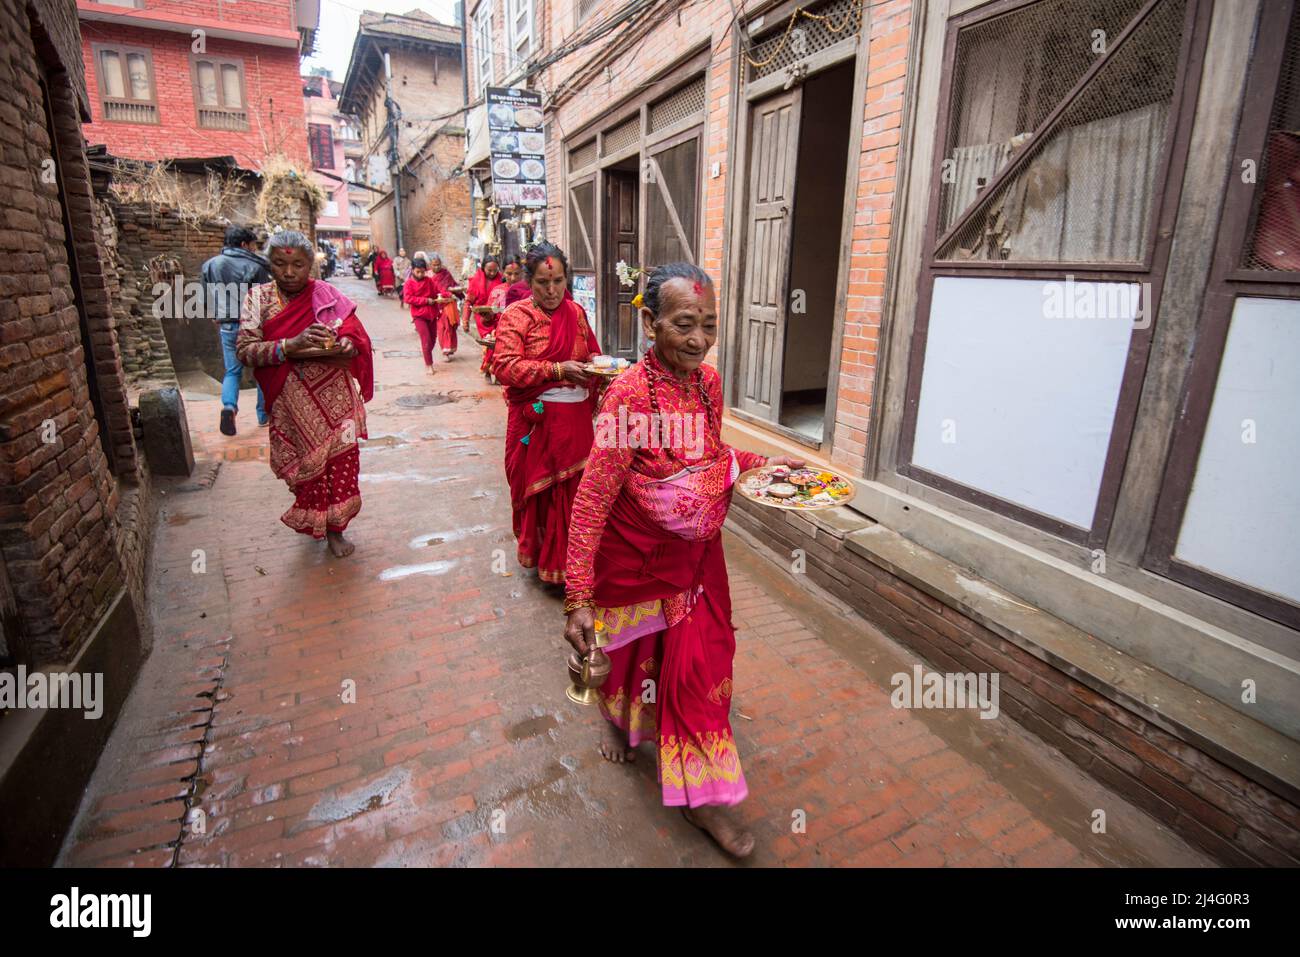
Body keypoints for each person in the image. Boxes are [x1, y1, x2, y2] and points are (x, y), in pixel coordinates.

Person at [562, 262, 805, 859]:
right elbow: (593, 498)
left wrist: (759, 464)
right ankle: (616, 720)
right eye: (683, 324)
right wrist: (578, 596)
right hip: (632, 558)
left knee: (699, 673)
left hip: (695, 563)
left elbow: (712, 452)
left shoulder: (708, 385)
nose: (698, 339)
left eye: (710, 325)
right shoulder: (624, 398)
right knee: (630, 656)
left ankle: (702, 801)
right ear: (650, 322)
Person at [235, 231, 375, 558]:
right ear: (267, 263)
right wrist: (289, 346)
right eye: (279, 263)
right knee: (307, 468)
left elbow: (356, 336)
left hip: (335, 396)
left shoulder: (326, 294)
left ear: (310, 265)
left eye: (297, 264)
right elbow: (244, 351)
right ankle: (316, 518)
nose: (288, 272)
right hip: (291, 400)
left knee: (341, 464)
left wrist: (346, 344)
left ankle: (336, 529)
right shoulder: (257, 299)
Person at [492, 243, 601, 584]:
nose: (552, 290)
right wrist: (556, 371)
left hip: (576, 423)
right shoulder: (517, 316)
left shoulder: (577, 313)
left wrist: (600, 371)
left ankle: (575, 566)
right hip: (536, 421)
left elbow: (592, 355)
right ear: (530, 282)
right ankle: (547, 562)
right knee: (545, 496)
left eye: (558, 281)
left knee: (576, 494)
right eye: (542, 282)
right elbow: (505, 367)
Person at [203, 225, 271, 436]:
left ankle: (229, 407)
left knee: (232, 371)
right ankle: (263, 416)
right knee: (261, 371)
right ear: (244, 244)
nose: (254, 249)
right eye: (252, 245)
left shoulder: (211, 265)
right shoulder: (255, 265)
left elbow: (207, 295)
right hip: (253, 324)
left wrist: (217, 314)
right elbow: (264, 299)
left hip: (227, 325)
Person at [480, 259, 521, 379]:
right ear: (503, 273)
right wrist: (487, 317)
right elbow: (489, 319)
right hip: (501, 332)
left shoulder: (528, 289)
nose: (513, 278)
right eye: (509, 274)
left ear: (522, 273)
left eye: (517, 274)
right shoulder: (498, 291)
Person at [402, 256, 440, 375]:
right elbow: (408, 298)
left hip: (432, 314)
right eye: (418, 272)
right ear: (413, 270)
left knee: (433, 339)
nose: (420, 274)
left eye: (422, 272)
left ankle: (426, 354)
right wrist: (425, 301)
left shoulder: (429, 281)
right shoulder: (408, 284)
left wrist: (444, 295)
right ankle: (429, 364)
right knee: (426, 340)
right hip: (419, 316)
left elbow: (436, 292)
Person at [424, 253, 464, 359]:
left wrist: (459, 291)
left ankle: (450, 348)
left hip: (449, 303)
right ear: (430, 265)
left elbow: (453, 284)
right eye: (434, 265)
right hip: (437, 304)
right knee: (441, 328)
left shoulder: (446, 273)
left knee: (450, 326)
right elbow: (432, 290)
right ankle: (445, 350)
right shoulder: (428, 276)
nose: (437, 267)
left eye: (438, 264)